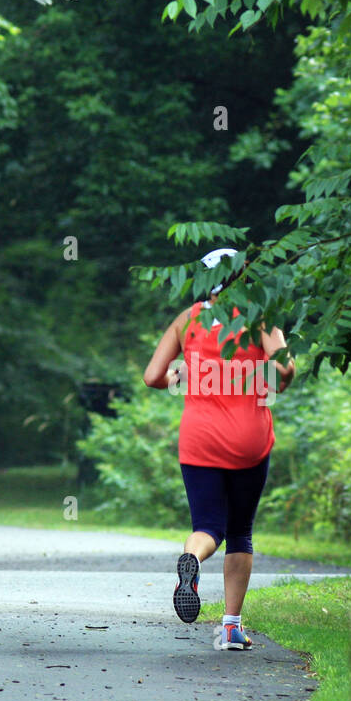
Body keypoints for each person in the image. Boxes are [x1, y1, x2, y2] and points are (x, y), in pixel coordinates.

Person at [141, 248, 295, 649]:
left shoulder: (189, 319)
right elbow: (283, 373)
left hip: (198, 441)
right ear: (242, 277)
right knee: (240, 532)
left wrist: (182, 374)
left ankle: (191, 562)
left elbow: (153, 376)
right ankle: (230, 629)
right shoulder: (257, 318)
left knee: (208, 526)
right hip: (248, 442)